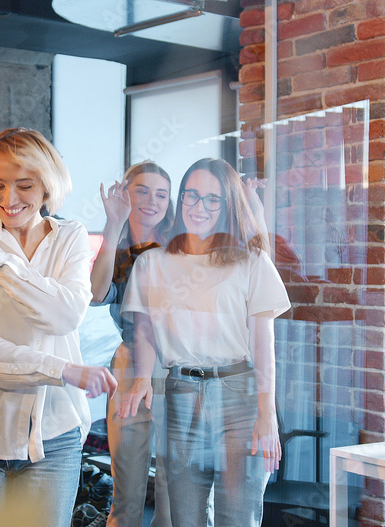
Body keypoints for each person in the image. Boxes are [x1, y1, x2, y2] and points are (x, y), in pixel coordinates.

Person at [0, 127, 117, 527]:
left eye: (24, 185)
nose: (9, 200)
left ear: (47, 185)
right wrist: (63, 370)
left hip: (54, 433)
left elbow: (66, 315)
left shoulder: (71, 237)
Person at [119, 158, 291, 527]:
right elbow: (145, 331)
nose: (199, 208)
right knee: (185, 518)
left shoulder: (251, 262)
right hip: (181, 393)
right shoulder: (153, 262)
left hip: (239, 395)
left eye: (212, 199)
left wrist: (267, 416)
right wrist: (143, 378)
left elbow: (263, 346)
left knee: (237, 516)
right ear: (180, 200)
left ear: (228, 204)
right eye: (191, 196)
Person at [90, 161, 174, 527]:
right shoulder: (119, 250)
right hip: (128, 362)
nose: (152, 201)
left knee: (177, 487)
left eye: (162, 194)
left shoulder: (181, 249)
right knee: (126, 484)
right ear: (126, 193)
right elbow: (95, 293)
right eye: (142, 190)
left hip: (177, 363)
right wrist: (113, 223)